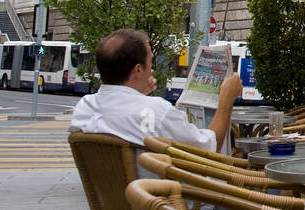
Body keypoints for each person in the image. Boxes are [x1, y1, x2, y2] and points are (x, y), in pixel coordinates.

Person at [70, 28, 244, 158]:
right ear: (138, 70)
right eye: (150, 62)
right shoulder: (157, 111)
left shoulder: (84, 108)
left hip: (116, 201)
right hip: (174, 202)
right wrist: (226, 100)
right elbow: (209, 149)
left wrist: (138, 95)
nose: (151, 69)